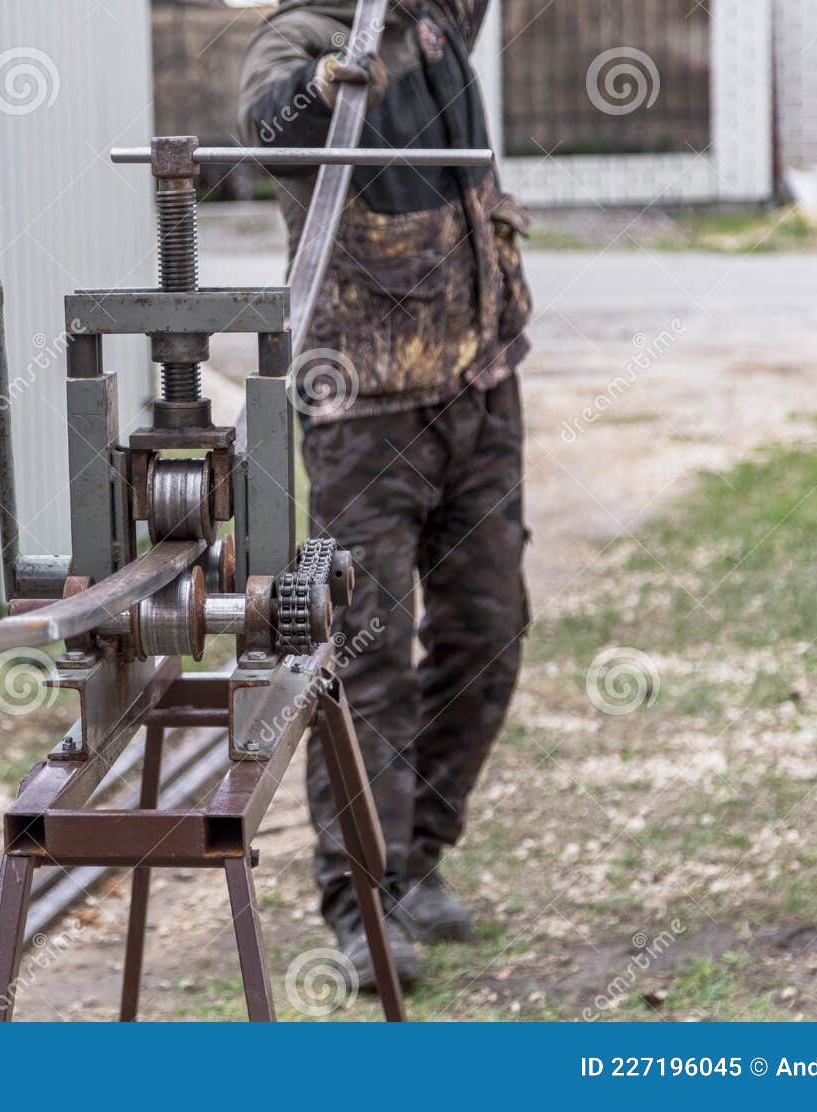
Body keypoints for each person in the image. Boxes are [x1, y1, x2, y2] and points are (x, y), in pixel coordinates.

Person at [239, 0, 532, 988]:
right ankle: (362, 903)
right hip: (363, 405)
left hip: (481, 384)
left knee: (488, 630)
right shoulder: (305, 35)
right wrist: (326, 83)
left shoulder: (440, 18)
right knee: (364, 661)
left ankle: (418, 860)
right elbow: (264, 126)